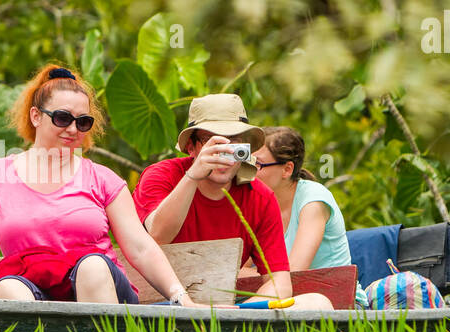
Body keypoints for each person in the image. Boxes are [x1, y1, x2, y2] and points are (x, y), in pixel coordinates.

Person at [0, 65, 203, 307]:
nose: (72, 129)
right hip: (33, 290)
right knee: (8, 287)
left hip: (99, 291)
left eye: (83, 122)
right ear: (36, 116)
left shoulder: (102, 179)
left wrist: (180, 296)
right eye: (62, 118)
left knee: (91, 266)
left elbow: (140, 247)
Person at [133, 94, 333, 310]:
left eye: (234, 143)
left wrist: (235, 314)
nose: (224, 152)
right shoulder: (162, 176)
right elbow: (158, 236)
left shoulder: (260, 196)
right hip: (163, 304)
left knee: (317, 303)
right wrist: (192, 176)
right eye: (213, 142)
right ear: (191, 147)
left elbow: (280, 284)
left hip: (225, 308)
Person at [252, 126, 367, 307]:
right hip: (289, 303)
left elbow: (292, 275)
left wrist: (266, 276)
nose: (249, 172)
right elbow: (236, 269)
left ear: (287, 169)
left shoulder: (313, 201)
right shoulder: (259, 203)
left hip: (340, 304)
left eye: (257, 165)